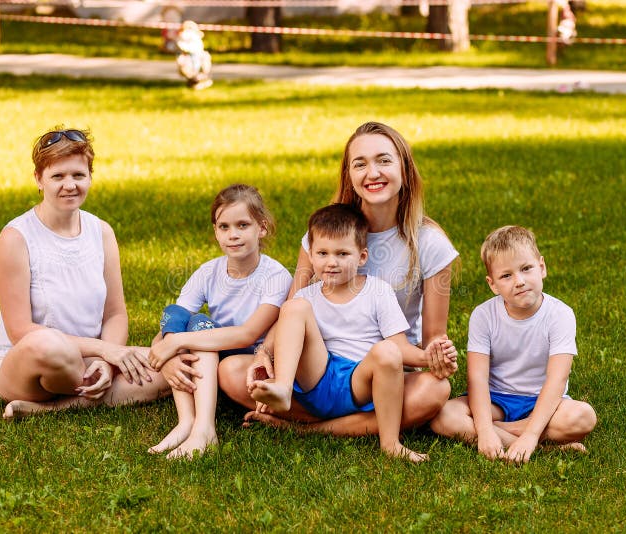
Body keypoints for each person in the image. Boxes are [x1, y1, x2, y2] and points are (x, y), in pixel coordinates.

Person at [220, 121, 460, 435]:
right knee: (231, 371)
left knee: (435, 390)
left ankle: (312, 427)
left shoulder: (429, 243)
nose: (372, 173)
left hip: (377, 373)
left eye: (384, 160)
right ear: (349, 174)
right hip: (312, 367)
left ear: (405, 168)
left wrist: (437, 359)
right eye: (360, 164)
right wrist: (265, 354)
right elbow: (295, 304)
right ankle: (353, 422)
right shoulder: (326, 233)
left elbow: (432, 339)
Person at [0, 127, 174, 420]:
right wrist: (107, 352)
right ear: (38, 179)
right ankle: (101, 389)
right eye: (57, 176)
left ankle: (52, 409)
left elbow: (115, 314)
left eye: (78, 175)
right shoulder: (16, 237)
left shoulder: (101, 231)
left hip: (90, 360)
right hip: (29, 365)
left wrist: (106, 361)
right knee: (47, 344)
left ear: (90, 177)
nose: (69, 185)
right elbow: (20, 330)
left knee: (176, 363)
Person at [249, 204, 456, 462]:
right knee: (293, 307)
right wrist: (267, 361)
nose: (331, 262)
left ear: (362, 257)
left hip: (361, 383)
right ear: (310, 256)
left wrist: (432, 359)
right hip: (318, 378)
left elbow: (399, 347)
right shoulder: (306, 297)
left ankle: (390, 443)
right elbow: (288, 340)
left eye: (342, 253)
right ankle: (282, 389)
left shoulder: (378, 291)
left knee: (392, 354)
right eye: (322, 253)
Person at [146, 184, 291, 459]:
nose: (233, 235)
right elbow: (171, 323)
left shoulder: (275, 276)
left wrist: (177, 342)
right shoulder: (208, 272)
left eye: (242, 225)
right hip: (215, 350)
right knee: (178, 314)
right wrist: (168, 355)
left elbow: (248, 334)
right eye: (224, 227)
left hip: (252, 357)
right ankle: (186, 421)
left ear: (262, 228)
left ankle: (205, 428)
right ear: (215, 231)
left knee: (198, 327)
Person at [430, 226, 597, 463]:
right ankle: (543, 448)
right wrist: (485, 431)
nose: (519, 281)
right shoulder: (483, 315)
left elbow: (557, 379)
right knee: (444, 416)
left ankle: (520, 438)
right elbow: (477, 378)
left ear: (542, 267)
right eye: (506, 276)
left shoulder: (560, 314)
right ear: (492, 284)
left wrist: (529, 433)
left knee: (583, 417)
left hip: (543, 401)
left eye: (526, 269)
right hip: (496, 399)